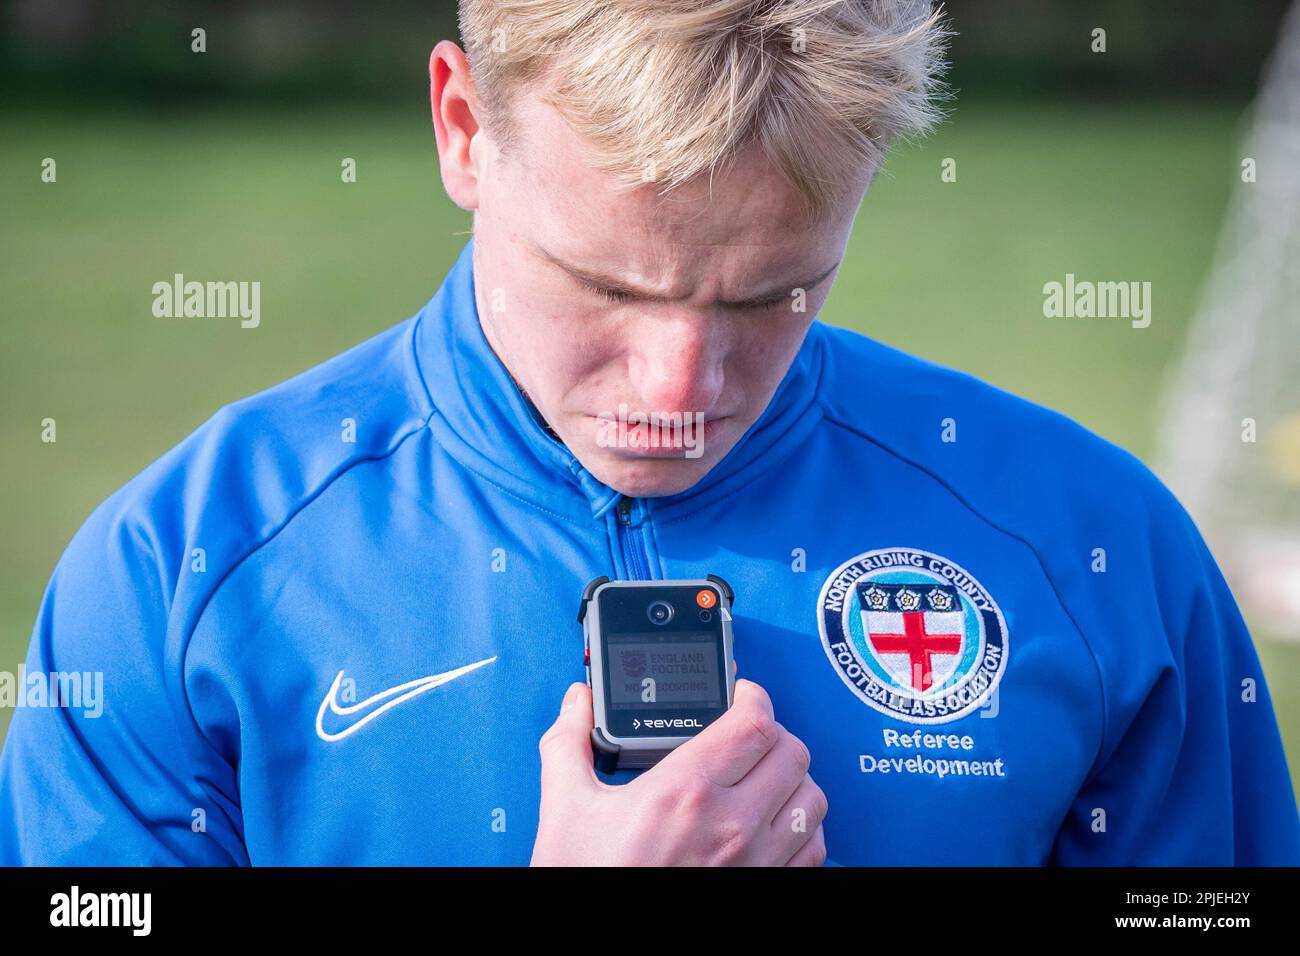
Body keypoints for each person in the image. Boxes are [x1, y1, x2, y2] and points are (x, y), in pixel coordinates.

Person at [2, 0, 1297, 866]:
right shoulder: (178, 582)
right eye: (608, 287)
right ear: (462, 127)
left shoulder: (1097, 553)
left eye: (772, 291)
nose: (682, 382)